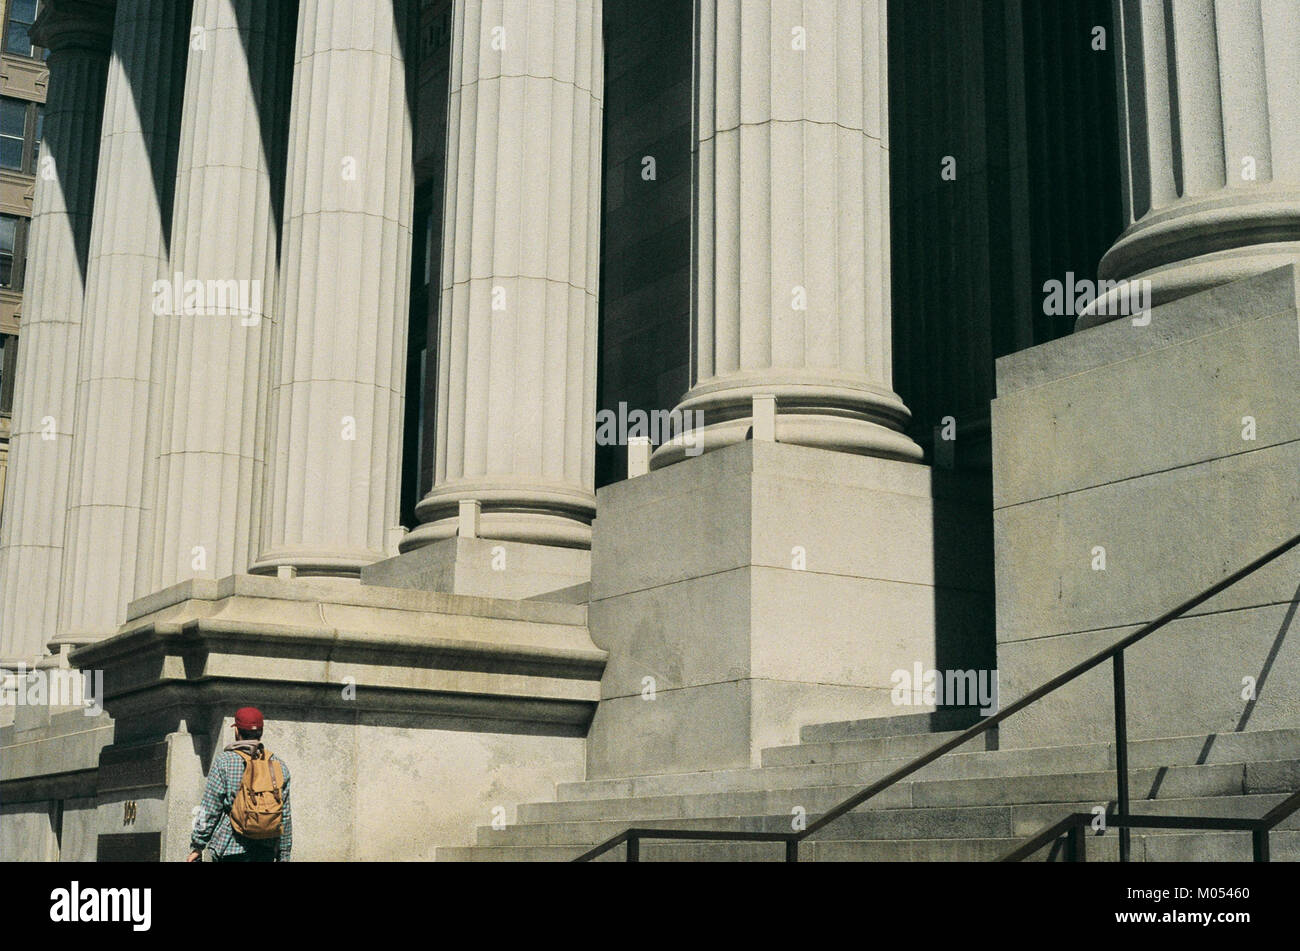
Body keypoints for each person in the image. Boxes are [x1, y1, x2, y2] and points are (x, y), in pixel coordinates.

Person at [186, 706, 292, 862]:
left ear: (237, 731)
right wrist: (284, 855)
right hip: (265, 851)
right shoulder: (278, 765)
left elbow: (209, 808)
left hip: (230, 848)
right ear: (260, 732)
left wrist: (197, 845)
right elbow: (285, 816)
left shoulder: (224, 762)